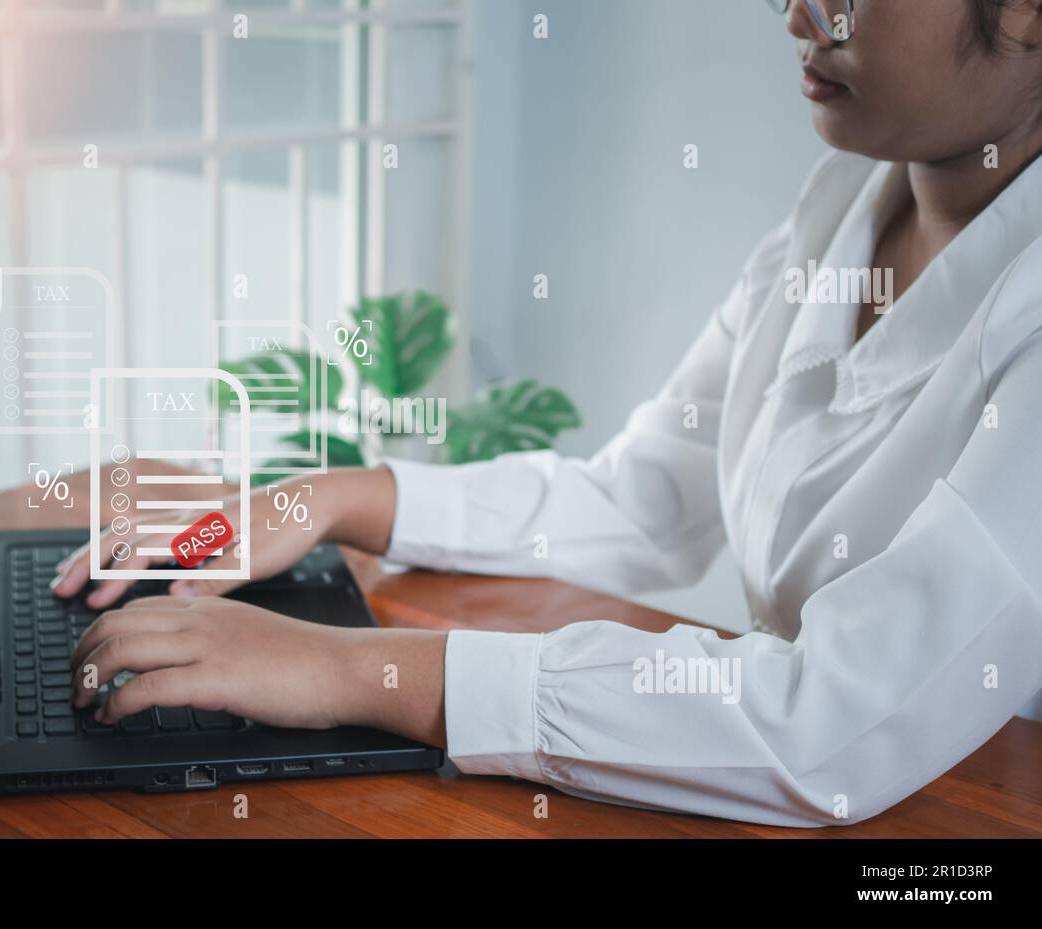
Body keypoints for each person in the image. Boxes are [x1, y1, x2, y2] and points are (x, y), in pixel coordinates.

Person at [53, 0, 1042, 827]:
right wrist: (327, 498)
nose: (797, 15)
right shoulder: (841, 202)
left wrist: (349, 672)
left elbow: (829, 721)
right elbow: (642, 501)